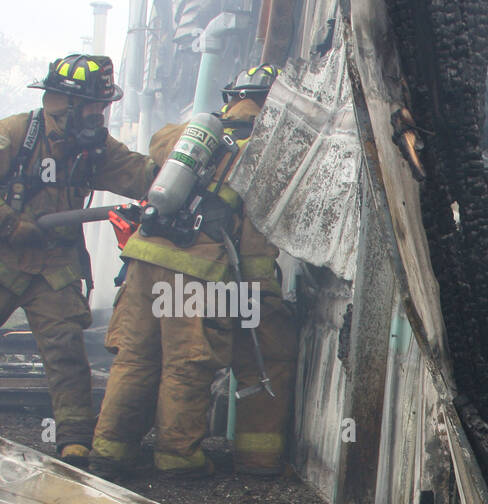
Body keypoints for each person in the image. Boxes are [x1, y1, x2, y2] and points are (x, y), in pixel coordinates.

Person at [91, 64, 297, 477]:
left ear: (233, 97)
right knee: (190, 360)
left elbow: (154, 147)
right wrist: (260, 298)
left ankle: (111, 450)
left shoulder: (191, 137)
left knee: (137, 357)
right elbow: (255, 244)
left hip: (142, 259)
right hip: (196, 271)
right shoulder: (264, 154)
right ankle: (179, 456)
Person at [0, 54, 155, 464]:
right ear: (63, 103)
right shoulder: (15, 134)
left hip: (54, 268)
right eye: (93, 105)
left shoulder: (94, 149)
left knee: (66, 354)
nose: (99, 115)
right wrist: (12, 225)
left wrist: (185, 170)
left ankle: (73, 443)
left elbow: (142, 174)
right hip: (5, 259)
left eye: (102, 106)